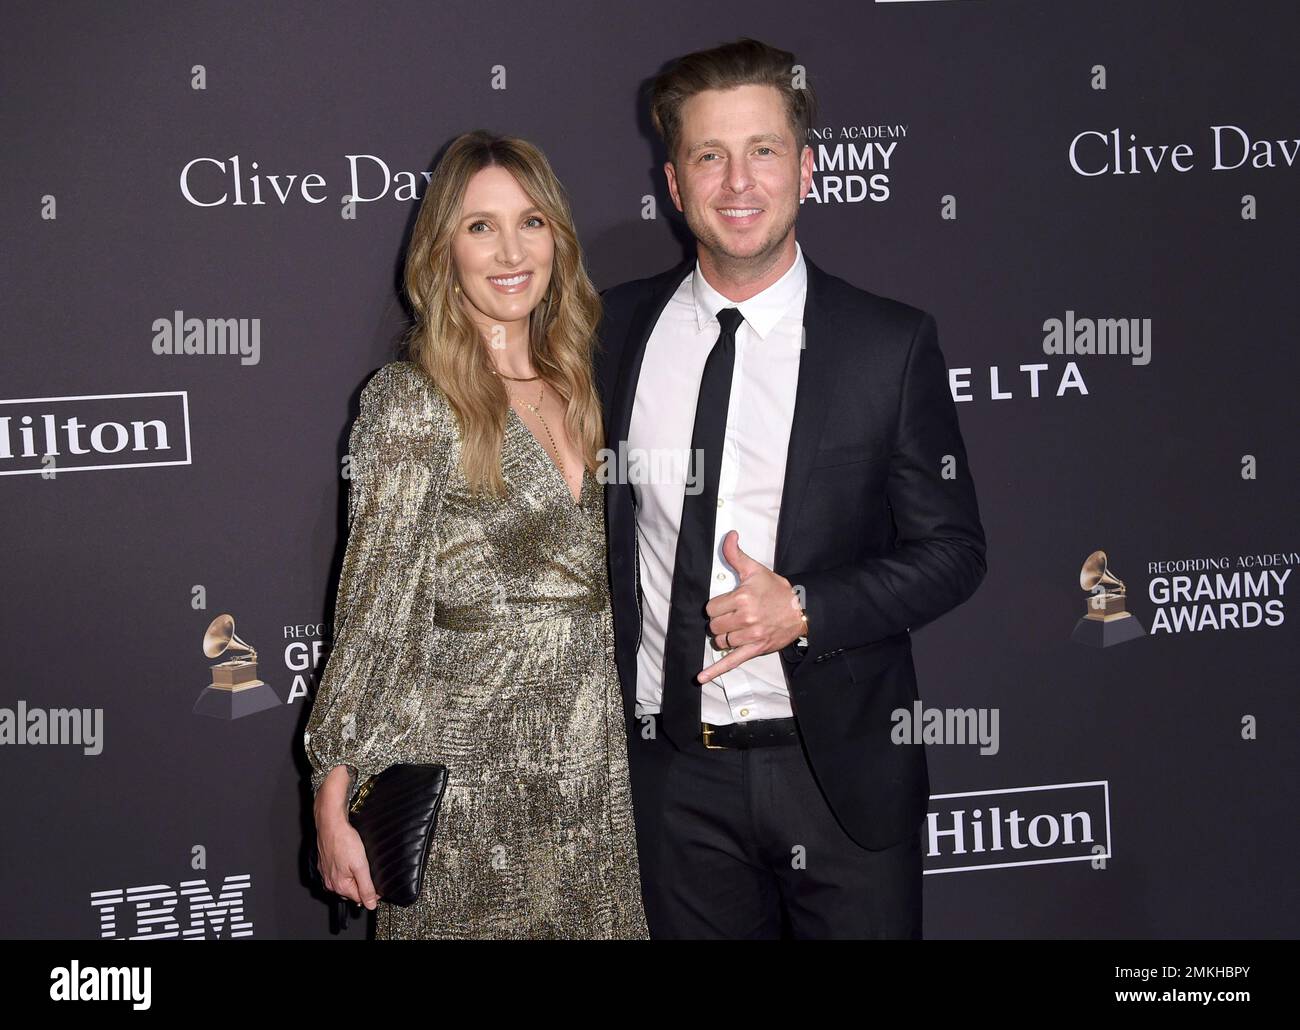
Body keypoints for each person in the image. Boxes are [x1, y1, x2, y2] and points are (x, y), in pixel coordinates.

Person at [595, 38, 987, 938]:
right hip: (671, 783)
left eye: (763, 151)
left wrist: (804, 607)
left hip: (838, 774)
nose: (738, 182)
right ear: (674, 180)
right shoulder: (612, 331)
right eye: (709, 155)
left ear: (807, 169)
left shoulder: (887, 346)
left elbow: (955, 553)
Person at [304, 130, 648, 940]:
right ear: (443, 250)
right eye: (479, 225)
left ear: (557, 238)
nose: (509, 250)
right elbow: (375, 610)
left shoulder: (589, 388)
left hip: (598, 778)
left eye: (530, 222)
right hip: (471, 784)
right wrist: (332, 792)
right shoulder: (412, 402)